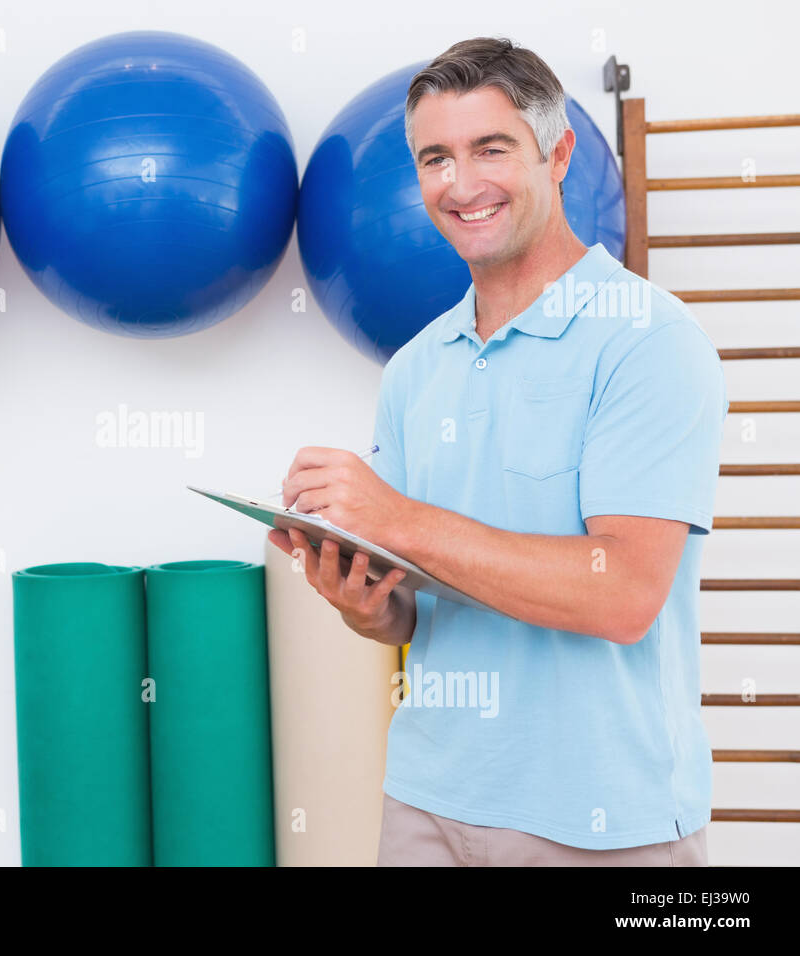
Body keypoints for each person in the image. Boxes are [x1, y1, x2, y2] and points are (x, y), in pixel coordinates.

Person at [269, 36, 727, 866]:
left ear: (558, 155)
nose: (462, 183)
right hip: (428, 799)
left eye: (492, 149)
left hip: (601, 818)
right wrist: (366, 602)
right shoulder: (414, 368)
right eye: (436, 157)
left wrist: (399, 516)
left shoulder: (650, 341)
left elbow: (622, 595)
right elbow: (415, 603)